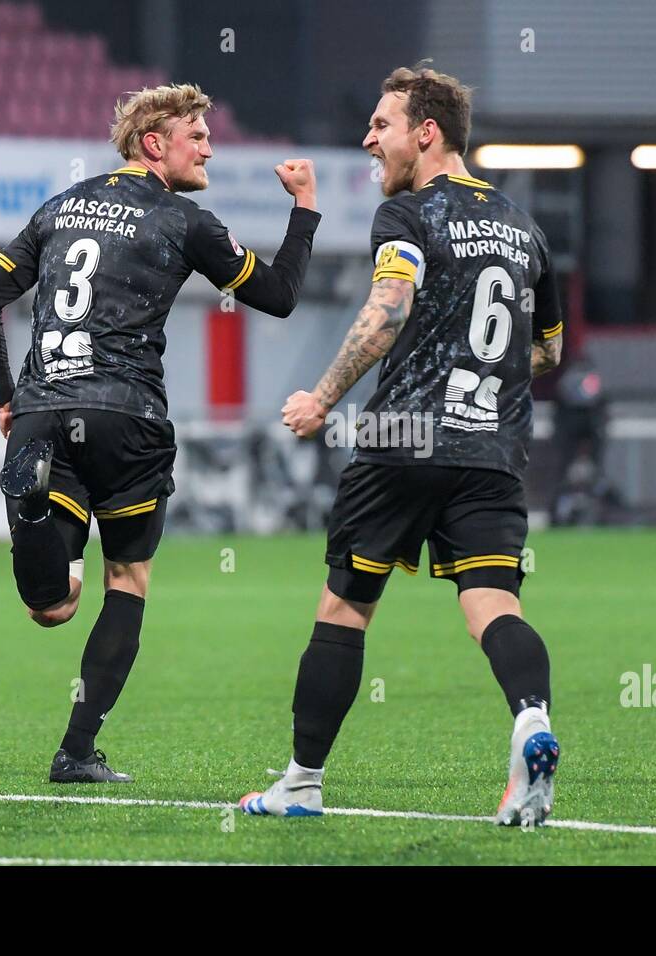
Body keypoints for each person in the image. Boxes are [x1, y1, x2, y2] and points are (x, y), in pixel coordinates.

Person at [0, 84, 320, 783]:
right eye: (197, 135)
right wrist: (305, 209)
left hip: (41, 413)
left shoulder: (60, 206)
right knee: (125, 580)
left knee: (52, 607)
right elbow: (278, 296)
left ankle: (35, 508)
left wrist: (4, 399)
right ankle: (75, 752)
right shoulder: (184, 220)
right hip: (126, 419)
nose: (210, 147)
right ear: (153, 143)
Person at [238, 66, 564, 825]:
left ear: (427, 133)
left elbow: (388, 310)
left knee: (345, 607)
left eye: (381, 126)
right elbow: (545, 351)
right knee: (493, 604)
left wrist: (321, 399)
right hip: (491, 449)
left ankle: (302, 781)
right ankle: (531, 721)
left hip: (402, 440)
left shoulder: (412, 216)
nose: (367, 139)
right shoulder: (525, 227)